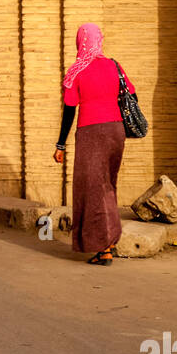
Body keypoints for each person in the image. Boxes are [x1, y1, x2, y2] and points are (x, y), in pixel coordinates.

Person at [53, 23, 137, 266]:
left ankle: (103, 248)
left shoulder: (77, 71)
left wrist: (60, 145)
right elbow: (132, 95)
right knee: (107, 186)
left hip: (91, 133)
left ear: (80, 42)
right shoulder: (114, 65)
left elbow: (69, 111)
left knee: (91, 189)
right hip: (115, 131)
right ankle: (108, 241)